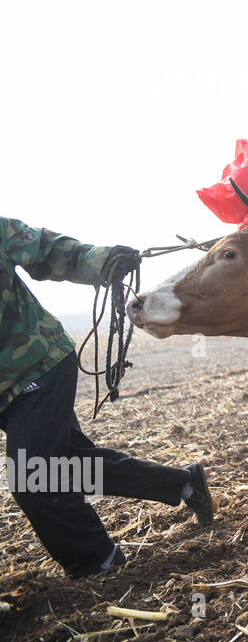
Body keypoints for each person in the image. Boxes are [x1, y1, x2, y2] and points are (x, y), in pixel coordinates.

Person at [1, 218, 212, 578]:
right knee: (70, 467)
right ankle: (183, 482)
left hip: (36, 366)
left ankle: (98, 561)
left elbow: (44, 248)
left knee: (31, 476)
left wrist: (103, 261)